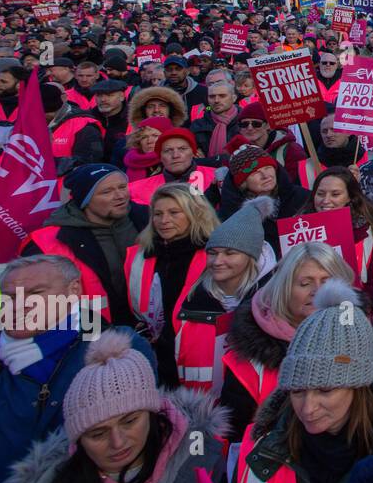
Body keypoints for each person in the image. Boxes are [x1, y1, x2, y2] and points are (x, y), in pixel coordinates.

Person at [237, 281, 373, 483]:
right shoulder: (260, 443)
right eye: (298, 391)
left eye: (325, 390)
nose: (308, 408)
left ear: (358, 386)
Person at [0, 255, 157, 483]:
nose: (18, 305)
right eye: (10, 296)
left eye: (35, 293)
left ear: (73, 291)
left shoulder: (119, 346)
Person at [5, 329, 227, 483]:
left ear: (152, 413)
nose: (118, 442)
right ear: (78, 440)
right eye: (98, 434)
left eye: (130, 421)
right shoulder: (50, 482)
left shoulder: (204, 457)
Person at [221, 242, 354, 442]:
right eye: (305, 283)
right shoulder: (248, 361)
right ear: (284, 288)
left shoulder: (360, 337)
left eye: (326, 281)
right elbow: (236, 437)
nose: (317, 291)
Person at [22, 163, 147, 326]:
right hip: (91, 335)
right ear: (84, 200)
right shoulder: (46, 242)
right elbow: (28, 305)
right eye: (107, 191)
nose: (120, 195)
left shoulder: (150, 219)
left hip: (154, 330)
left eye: (122, 187)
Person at [172, 199, 276, 393]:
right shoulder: (190, 300)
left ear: (252, 256)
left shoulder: (274, 304)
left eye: (230, 253)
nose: (218, 261)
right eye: (212, 252)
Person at [123, 183, 220, 388]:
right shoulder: (139, 256)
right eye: (158, 214)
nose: (164, 221)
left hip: (204, 361)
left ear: (195, 213)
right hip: (156, 361)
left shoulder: (218, 256)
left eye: (174, 212)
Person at [299, 167, 373, 298]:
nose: (326, 200)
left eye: (335, 194)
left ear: (350, 197)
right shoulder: (297, 228)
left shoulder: (372, 228)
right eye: (320, 194)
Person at [188, 79, 240, 160]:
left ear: (234, 98)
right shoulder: (197, 125)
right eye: (212, 96)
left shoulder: (246, 123)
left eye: (222, 96)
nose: (216, 100)